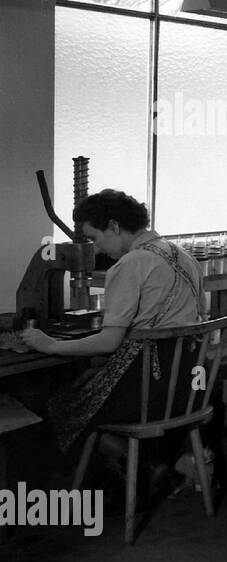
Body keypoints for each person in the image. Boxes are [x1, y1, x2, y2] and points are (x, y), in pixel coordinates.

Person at [21, 190, 206, 471]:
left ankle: (139, 467)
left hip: (148, 390)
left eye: (95, 238)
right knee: (83, 381)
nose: (96, 249)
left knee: (54, 404)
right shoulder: (182, 255)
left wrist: (50, 345)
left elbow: (109, 341)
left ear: (114, 226)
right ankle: (138, 468)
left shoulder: (131, 263)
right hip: (185, 387)